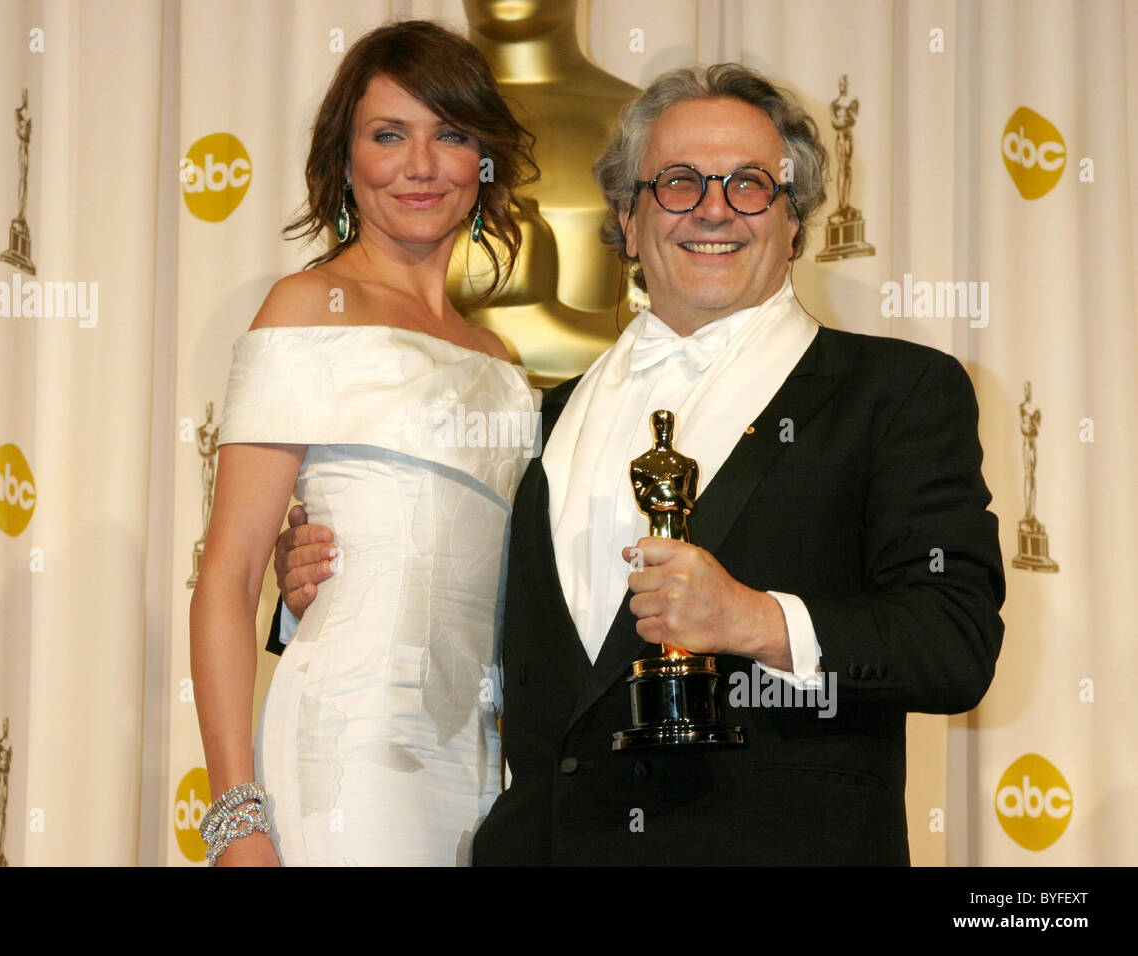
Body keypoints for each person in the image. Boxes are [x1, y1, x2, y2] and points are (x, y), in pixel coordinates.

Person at [274, 63, 1005, 865]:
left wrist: (754, 620)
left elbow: (954, 642)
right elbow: (460, 597)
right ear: (627, 214)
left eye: (751, 184)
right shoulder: (532, 415)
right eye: (680, 183)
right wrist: (323, 585)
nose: (714, 209)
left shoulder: (894, 392)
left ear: (795, 220)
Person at [189, 19, 539, 867]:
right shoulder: (306, 307)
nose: (420, 165)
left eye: (449, 134)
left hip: (483, 758)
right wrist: (237, 818)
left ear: (481, 162)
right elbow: (231, 573)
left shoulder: (502, 361)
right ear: (346, 163)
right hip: (347, 739)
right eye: (388, 135)